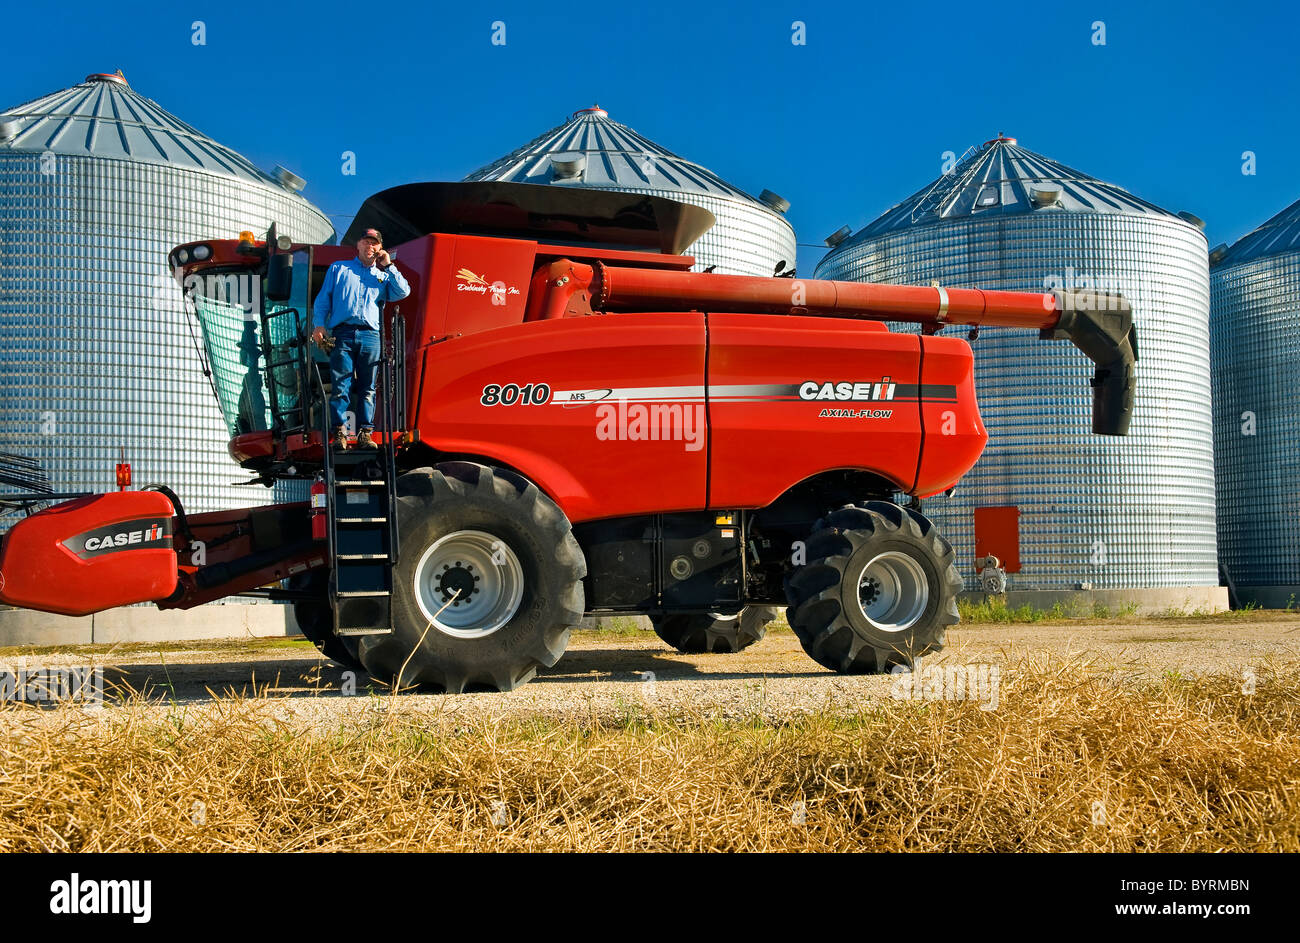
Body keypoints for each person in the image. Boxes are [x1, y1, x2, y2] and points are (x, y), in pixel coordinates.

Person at [311, 228, 410, 449]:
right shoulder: (339, 269)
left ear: (380, 248)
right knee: (340, 385)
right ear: (358, 245)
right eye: (366, 242)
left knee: (368, 387)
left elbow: (403, 292)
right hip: (342, 333)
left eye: (375, 243)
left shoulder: (384, 277)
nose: (370, 247)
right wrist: (319, 325)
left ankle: (366, 433)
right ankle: (340, 434)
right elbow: (323, 300)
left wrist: (389, 265)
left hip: (371, 335)